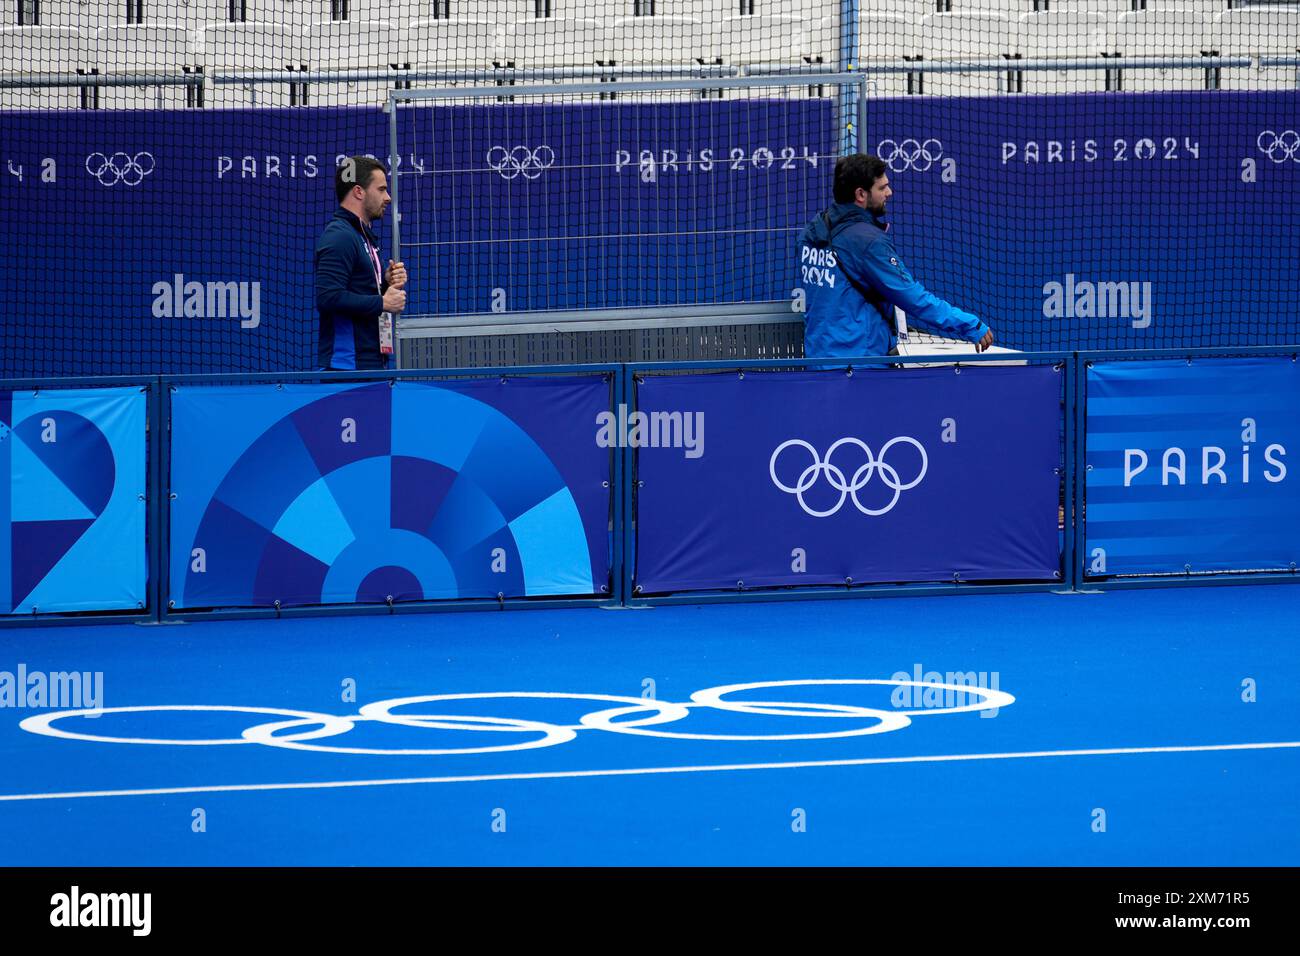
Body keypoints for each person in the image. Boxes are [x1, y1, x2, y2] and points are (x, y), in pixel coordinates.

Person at [797, 153, 994, 359]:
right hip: (858, 364)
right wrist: (970, 325)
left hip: (818, 358)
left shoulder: (811, 232)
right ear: (861, 194)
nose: (889, 192)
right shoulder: (868, 242)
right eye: (882, 188)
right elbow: (913, 297)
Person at [315, 156, 407, 371]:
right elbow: (327, 297)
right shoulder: (340, 236)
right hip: (346, 368)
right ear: (359, 192)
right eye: (382, 189)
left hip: (369, 363)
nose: (388, 197)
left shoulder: (362, 236)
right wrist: (383, 303)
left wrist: (385, 285)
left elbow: (358, 292)